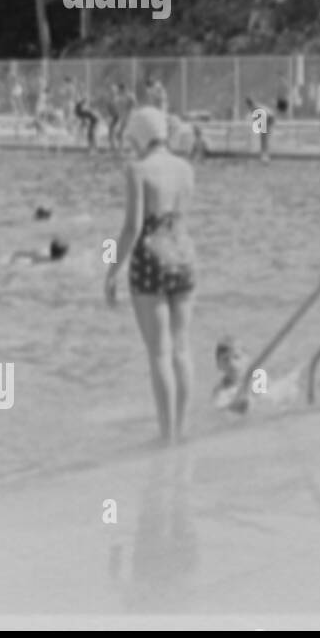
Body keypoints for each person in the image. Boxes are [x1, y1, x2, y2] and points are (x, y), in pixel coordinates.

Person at [104, 107, 198, 445]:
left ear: (138, 136)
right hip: (185, 255)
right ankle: (183, 430)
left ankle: (166, 436)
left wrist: (112, 269)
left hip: (150, 260)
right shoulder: (185, 168)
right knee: (182, 350)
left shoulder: (137, 170)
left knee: (159, 353)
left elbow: (131, 228)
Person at [245, 96, 275, 162]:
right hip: (269, 117)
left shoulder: (254, 107)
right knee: (264, 137)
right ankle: (264, 154)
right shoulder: (255, 106)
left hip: (268, 117)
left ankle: (265, 156)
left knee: (264, 137)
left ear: (248, 103)